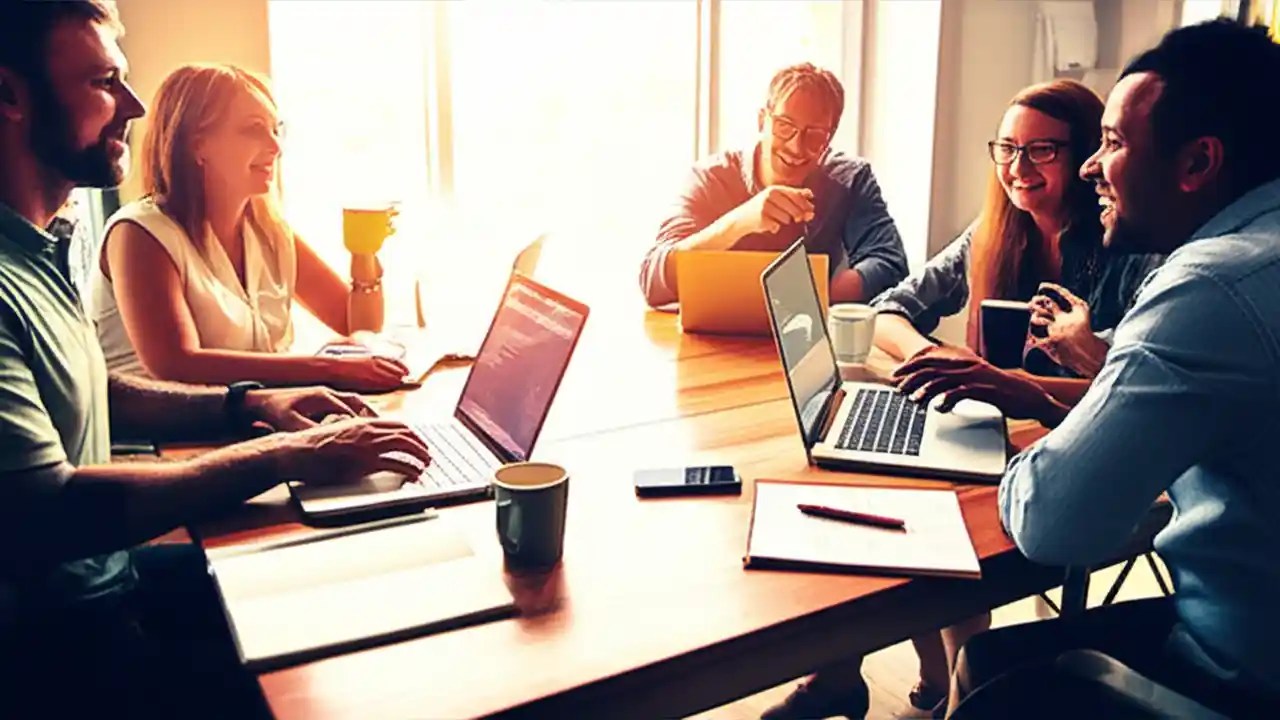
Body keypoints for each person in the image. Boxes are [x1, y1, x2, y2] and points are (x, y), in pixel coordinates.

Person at [0, 3, 433, 718]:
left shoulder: (46, 245)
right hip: (65, 640)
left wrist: (252, 405)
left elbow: (97, 387)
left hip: (113, 575)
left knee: (348, 569)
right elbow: (51, 511)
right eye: (106, 82)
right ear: (10, 96)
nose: (137, 107)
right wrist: (286, 455)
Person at [763, 79, 1162, 720]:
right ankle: (852, 671)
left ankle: (945, 678)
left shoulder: (1128, 249)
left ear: (1087, 154)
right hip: (996, 433)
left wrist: (1005, 385)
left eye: (1042, 152)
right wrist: (941, 362)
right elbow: (889, 308)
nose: (1016, 167)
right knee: (871, 484)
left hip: (1081, 450)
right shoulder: (995, 230)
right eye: (1006, 148)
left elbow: (1133, 394)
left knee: (917, 514)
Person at [938, 20, 1280, 719]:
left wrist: (1004, 449)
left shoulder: (1209, 285)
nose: (1094, 166)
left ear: (1197, 164)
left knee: (990, 675)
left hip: (1241, 677)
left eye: (1114, 143)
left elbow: (1054, 524)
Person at [86, 62, 408, 392]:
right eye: (254, 129)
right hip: (159, 436)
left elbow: (357, 325)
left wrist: (364, 253)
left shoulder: (270, 232)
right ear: (198, 144)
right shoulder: (139, 234)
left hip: (249, 424)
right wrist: (328, 369)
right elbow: (177, 364)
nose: (276, 147)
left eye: (275, 130)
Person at [639, 62, 908, 308]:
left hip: (803, 337)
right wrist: (740, 222)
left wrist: (807, 299)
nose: (796, 146)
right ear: (761, 121)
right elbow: (653, 278)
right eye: (784, 126)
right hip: (711, 344)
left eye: (814, 136)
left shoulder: (849, 179)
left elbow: (890, 264)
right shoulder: (710, 178)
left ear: (829, 139)